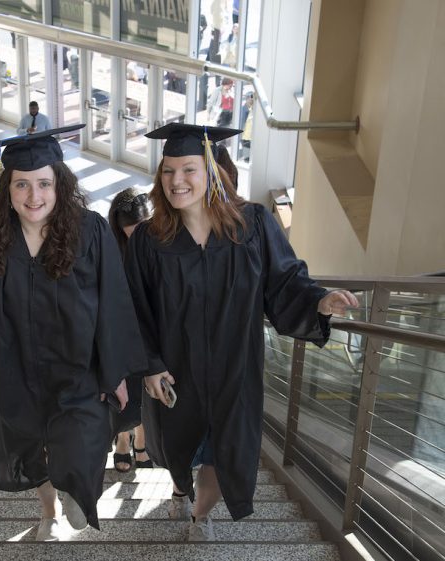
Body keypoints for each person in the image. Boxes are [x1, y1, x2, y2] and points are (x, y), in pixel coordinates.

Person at [125, 123, 359, 541]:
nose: (177, 181)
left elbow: (285, 280)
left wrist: (319, 301)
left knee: (223, 451)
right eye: (168, 171)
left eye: (189, 170)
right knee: (181, 448)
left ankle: (200, 515)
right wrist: (150, 366)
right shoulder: (149, 238)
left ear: (213, 171)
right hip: (176, 369)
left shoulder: (252, 225)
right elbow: (134, 310)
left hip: (235, 369)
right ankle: (181, 486)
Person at [0, 125, 146, 541]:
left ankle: (75, 490)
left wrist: (115, 370)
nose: (34, 196)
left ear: (59, 184)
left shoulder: (91, 232)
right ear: (5, 188)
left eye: (44, 183)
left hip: (79, 366)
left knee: (80, 436)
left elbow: (115, 304)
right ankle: (47, 511)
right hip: (16, 366)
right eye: (22, 184)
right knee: (31, 447)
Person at [107, 188, 154, 473]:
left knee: (149, 391)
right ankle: (124, 440)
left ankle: (142, 440)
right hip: (122, 330)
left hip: (152, 330)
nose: (137, 238)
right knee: (126, 389)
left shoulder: (163, 242)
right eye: (130, 232)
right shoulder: (111, 249)